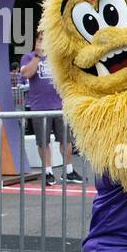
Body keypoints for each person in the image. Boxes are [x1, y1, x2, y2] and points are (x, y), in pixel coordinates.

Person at [20, 44, 82, 186]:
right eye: (40, 39)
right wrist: (37, 56)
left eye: (45, 39)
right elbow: (27, 74)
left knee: (65, 139)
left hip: (60, 106)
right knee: (43, 141)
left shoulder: (56, 57)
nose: (43, 42)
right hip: (40, 108)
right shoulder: (28, 57)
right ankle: (48, 172)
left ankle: (68, 171)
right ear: (35, 42)